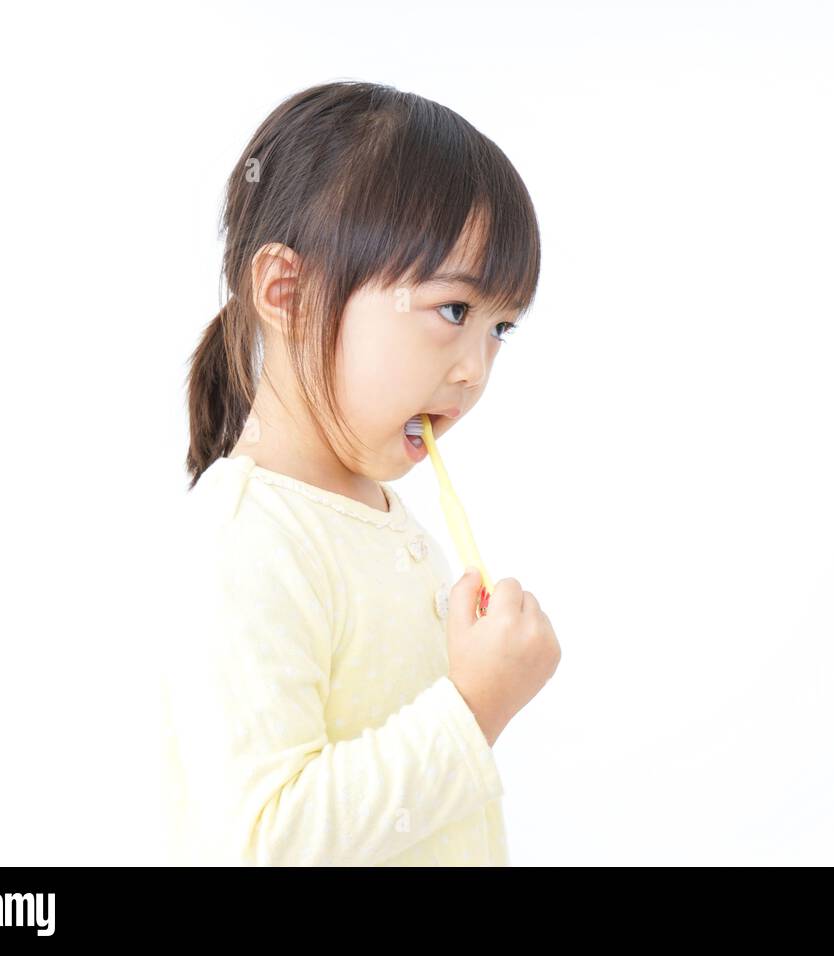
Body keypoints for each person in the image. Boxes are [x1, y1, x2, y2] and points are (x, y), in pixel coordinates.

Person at [158, 80, 561, 866]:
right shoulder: (246, 539)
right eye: (452, 311)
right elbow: (270, 840)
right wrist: (472, 709)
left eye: (500, 328)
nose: (475, 369)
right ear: (290, 290)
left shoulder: (392, 528)